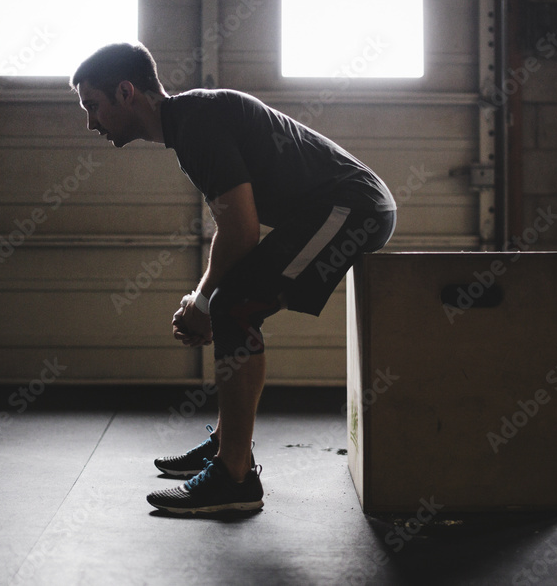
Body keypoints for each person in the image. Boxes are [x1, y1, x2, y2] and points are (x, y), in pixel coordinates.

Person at [70, 42, 396, 515]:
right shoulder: (189, 125)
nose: (90, 122)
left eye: (92, 106)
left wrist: (201, 304)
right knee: (230, 304)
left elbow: (240, 230)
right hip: (340, 208)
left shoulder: (196, 121)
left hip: (354, 210)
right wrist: (205, 302)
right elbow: (238, 226)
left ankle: (235, 478)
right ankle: (228, 448)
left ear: (126, 92)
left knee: (232, 307)